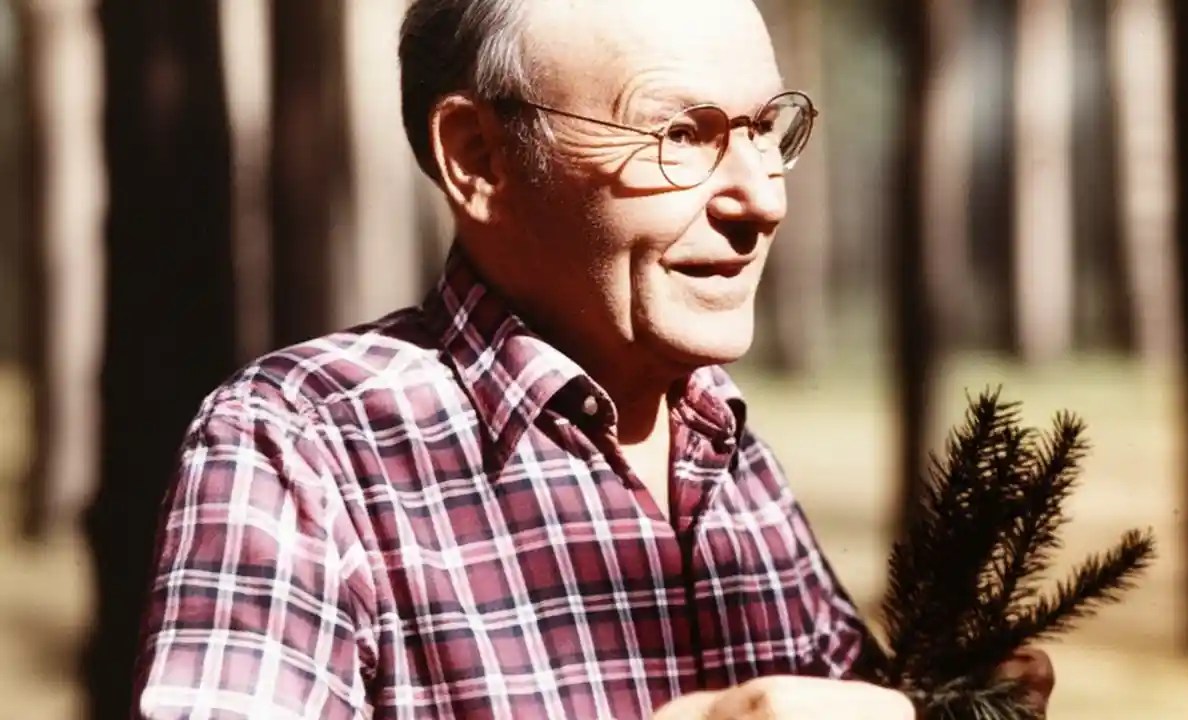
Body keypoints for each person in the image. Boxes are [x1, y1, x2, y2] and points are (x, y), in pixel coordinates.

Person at [132, 0, 1054, 717]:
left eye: (765, 129)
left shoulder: (720, 440)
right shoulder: (303, 445)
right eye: (681, 134)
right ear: (478, 157)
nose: (762, 199)